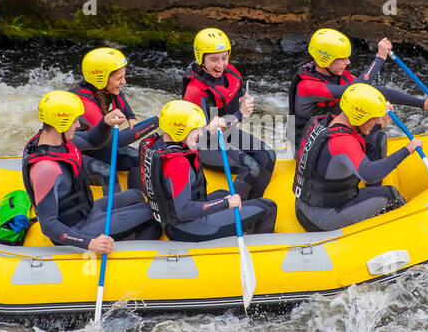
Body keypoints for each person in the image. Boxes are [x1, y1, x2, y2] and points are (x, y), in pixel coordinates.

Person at [23, 90, 160, 253]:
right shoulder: (45, 169)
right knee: (155, 217)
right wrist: (90, 243)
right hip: (77, 229)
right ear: (61, 123)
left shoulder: (53, 139)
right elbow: (48, 225)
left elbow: (91, 140)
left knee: (136, 195)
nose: (78, 125)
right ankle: (127, 258)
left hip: (85, 210)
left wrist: (105, 122)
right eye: (75, 121)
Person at [288, 28, 428, 159]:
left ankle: (370, 174)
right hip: (307, 148)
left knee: (375, 131)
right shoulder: (307, 86)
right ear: (326, 61)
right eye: (342, 59)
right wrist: (379, 58)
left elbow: (372, 91)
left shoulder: (338, 74)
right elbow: (357, 86)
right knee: (374, 132)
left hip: (326, 133)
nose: (348, 62)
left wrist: (423, 103)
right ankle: (370, 181)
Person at [138, 100, 277, 242]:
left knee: (224, 194)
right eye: (196, 129)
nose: (200, 132)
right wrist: (226, 203)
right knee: (268, 206)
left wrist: (213, 127)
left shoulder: (159, 145)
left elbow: (194, 139)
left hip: (171, 220)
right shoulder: (178, 163)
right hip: (188, 229)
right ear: (181, 131)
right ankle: (256, 247)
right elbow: (184, 211)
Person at [292, 83, 420, 232]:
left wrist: (380, 123)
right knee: (391, 195)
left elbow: (356, 134)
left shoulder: (324, 122)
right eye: (374, 119)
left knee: (376, 140)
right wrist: (407, 149)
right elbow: (369, 175)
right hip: (322, 218)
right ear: (359, 117)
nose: (377, 122)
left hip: (304, 206)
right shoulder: (343, 142)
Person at [181, 27, 276, 199]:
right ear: (200, 58)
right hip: (204, 144)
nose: (220, 65)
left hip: (226, 135)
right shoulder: (194, 91)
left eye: (224, 58)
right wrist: (240, 114)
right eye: (214, 59)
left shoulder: (231, 73)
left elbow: (239, 93)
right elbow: (202, 135)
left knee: (268, 156)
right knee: (251, 167)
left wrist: (246, 98)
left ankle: (254, 208)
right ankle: (232, 214)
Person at [71, 46, 158, 182]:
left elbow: (119, 96)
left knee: (137, 156)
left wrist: (131, 117)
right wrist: (157, 120)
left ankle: (140, 197)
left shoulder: (100, 88)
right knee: (106, 172)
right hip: (76, 157)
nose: (124, 81)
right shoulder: (86, 107)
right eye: (119, 78)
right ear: (101, 79)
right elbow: (113, 141)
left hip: (95, 149)